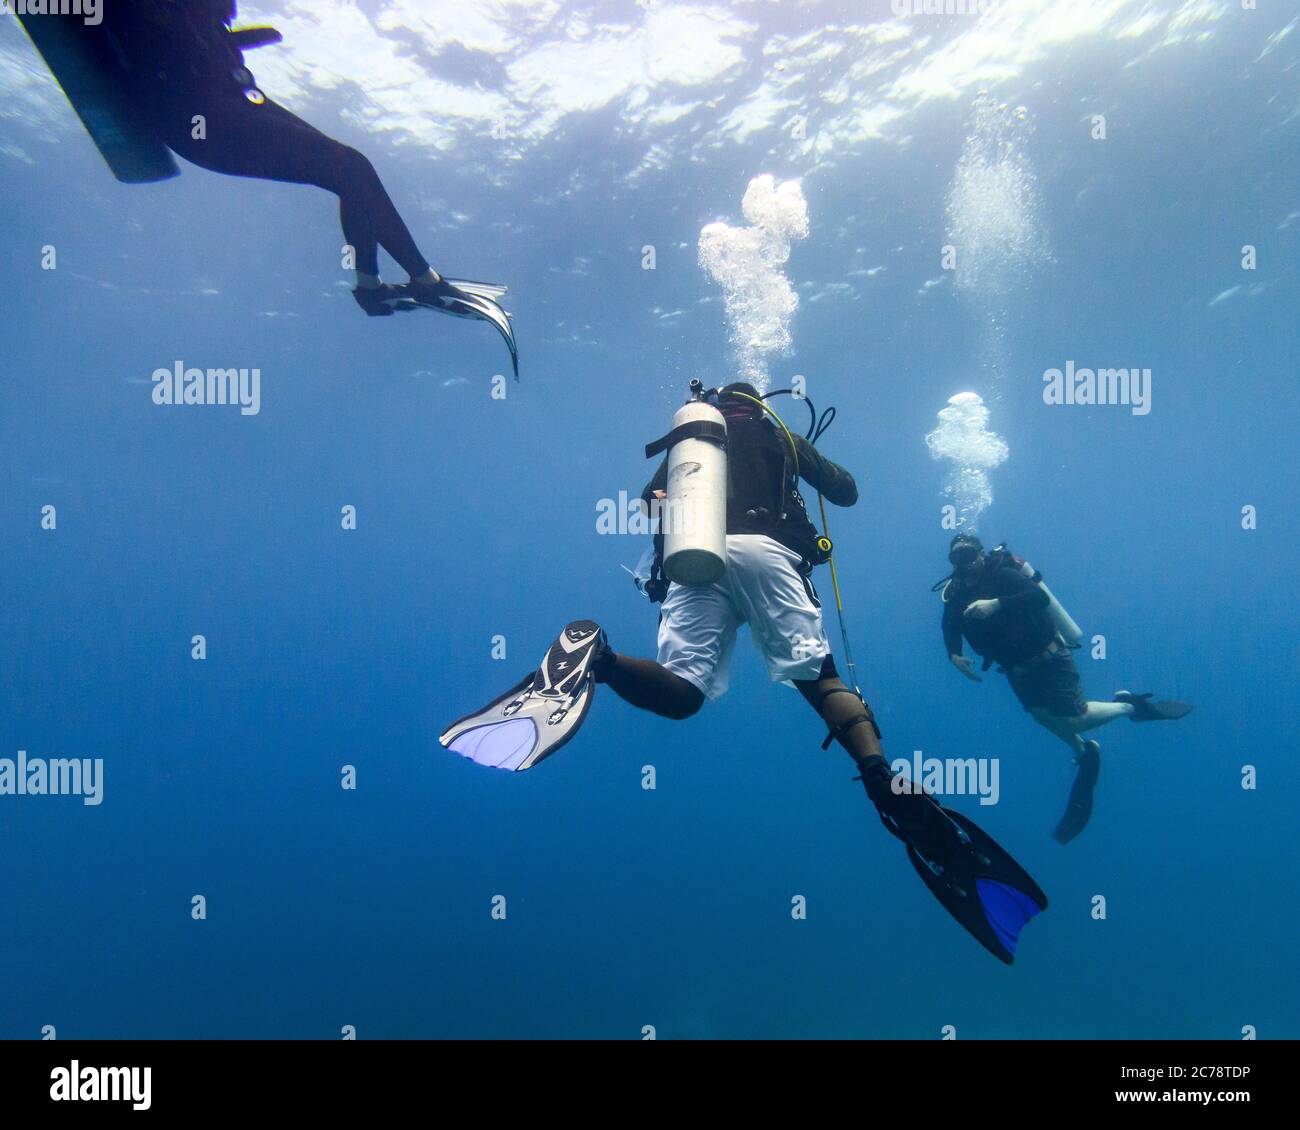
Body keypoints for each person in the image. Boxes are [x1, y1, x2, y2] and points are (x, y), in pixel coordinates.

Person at [442, 385, 1049, 964]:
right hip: (767, 550)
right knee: (823, 683)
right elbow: (847, 491)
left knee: (683, 693)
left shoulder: (690, 444)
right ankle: (877, 774)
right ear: (758, 397)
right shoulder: (773, 426)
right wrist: (800, 461)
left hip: (692, 561)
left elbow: (652, 503)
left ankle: (596, 656)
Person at [58, 1, 517, 368]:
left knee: (351, 170)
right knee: (349, 168)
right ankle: (407, 282)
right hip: (197, 118)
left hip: (233, 96)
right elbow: (148, 35)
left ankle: (384, 285)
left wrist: (225, 38)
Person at [940, 532, 1191, 841]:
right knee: (1044, 717)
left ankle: (1130, 705)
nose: (965, 563)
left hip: (1048, 656)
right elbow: (949, 625)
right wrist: (954, 654)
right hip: (1015, 671)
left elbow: (1039, 598)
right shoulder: (955, 596)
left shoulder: (1002, 576)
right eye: (958, 557)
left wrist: (997, 605)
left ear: (980, 554)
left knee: (1074, 718)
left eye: (969, 555)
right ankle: (1086, 753)